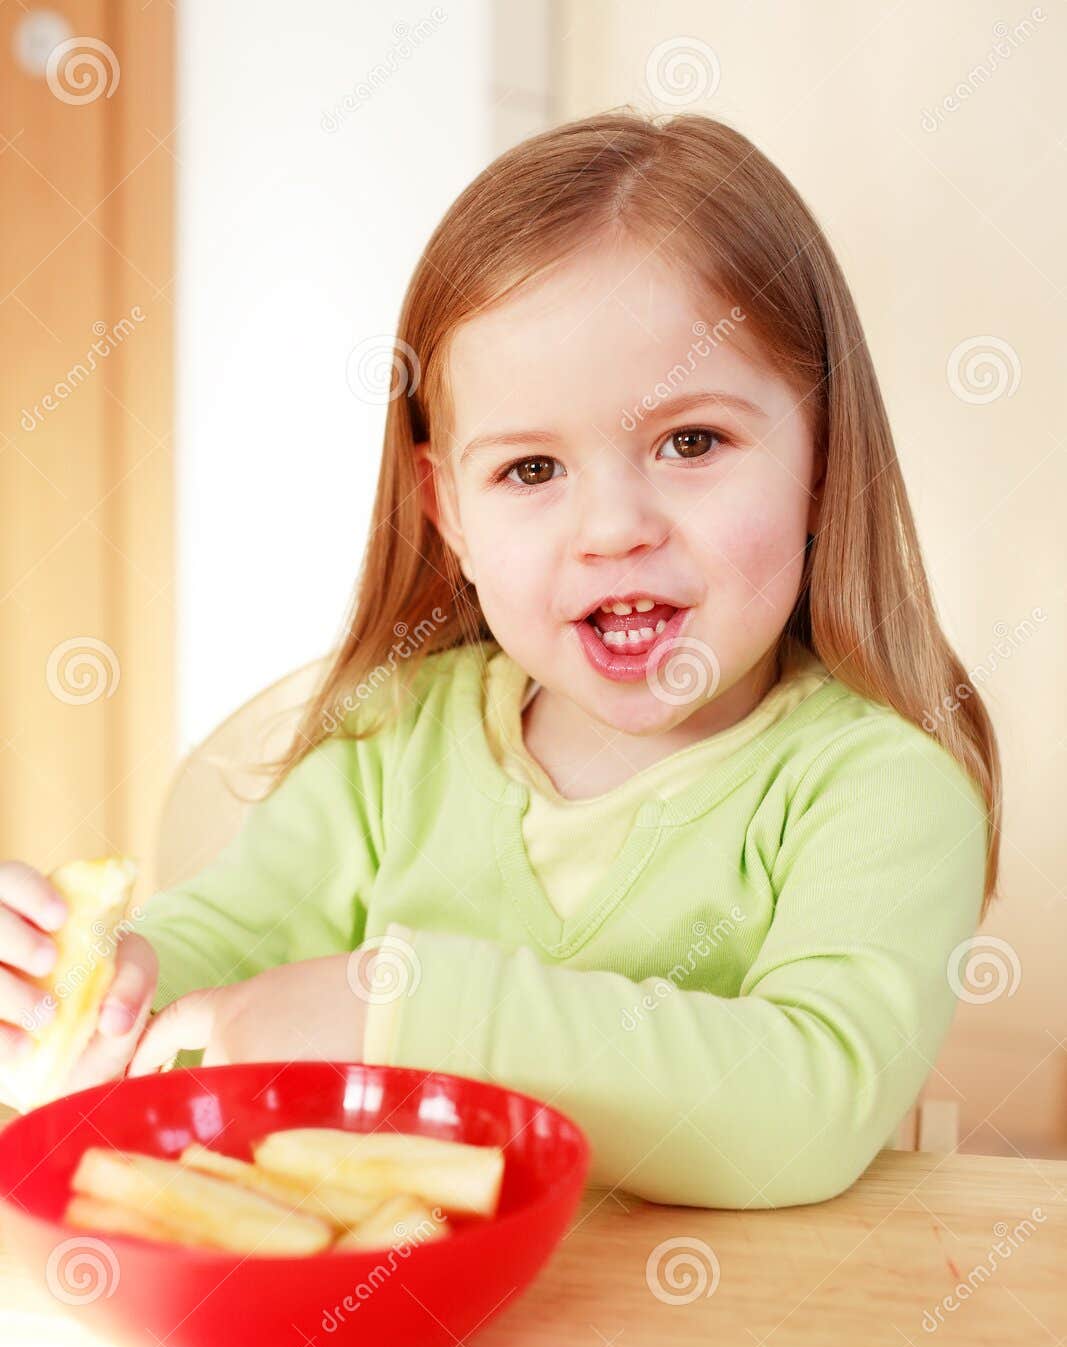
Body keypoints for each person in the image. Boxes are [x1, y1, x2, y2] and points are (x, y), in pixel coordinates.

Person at [0, 111, 999, 1208]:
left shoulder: (882, 790)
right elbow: (228, 945)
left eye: (690, 442)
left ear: (819, 460)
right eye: (530, 469)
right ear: (450, 514)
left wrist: (398, 1003)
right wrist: (83, 992)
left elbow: (800, 1113)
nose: (612, 526)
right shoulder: (391, 741)